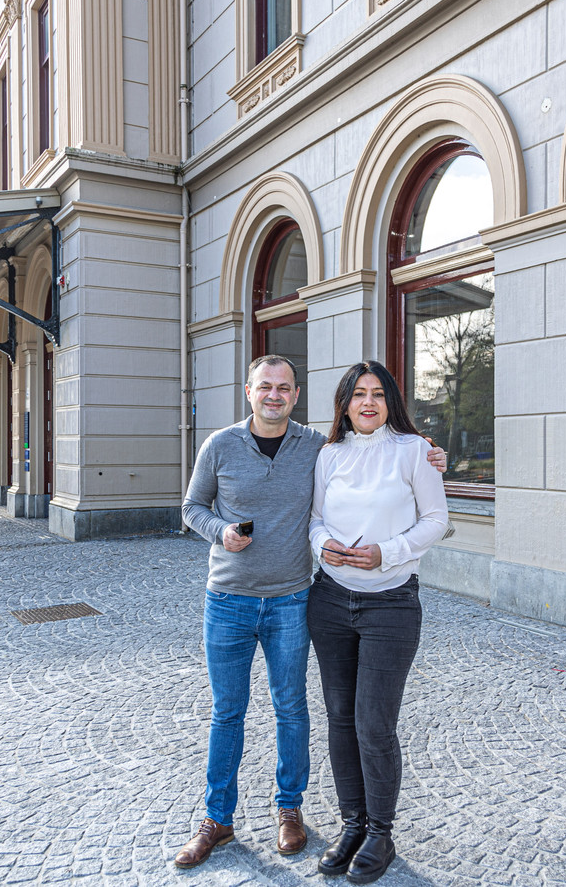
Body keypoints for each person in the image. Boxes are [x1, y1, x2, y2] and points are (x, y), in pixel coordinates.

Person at [176, 355, 445, 871]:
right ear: (249, 391)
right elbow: (195, 508)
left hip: (295, 599)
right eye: (265, 386)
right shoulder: (227, 445)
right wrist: (222, 532)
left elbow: (417, 493)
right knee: (231, 711)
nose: (274, 395)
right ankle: (218, 819)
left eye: (284, 387)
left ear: (296, 395)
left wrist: (433, 455)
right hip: (234, 599)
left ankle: (295, 811)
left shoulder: (317, 447)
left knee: (297, 710)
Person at [306, 360, 448, 884]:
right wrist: (325, 546)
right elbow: (315, 519)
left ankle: (381, 834)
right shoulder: (328, 455)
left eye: (378, 394)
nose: (368, 403)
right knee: (340, 717)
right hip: (330, 601)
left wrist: (387, 552)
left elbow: (437, 520)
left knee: (373, 723)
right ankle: (352, 825)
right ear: (344, 404)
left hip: (391, 605)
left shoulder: (415, 452)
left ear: (391, 402)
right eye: (358, 394)